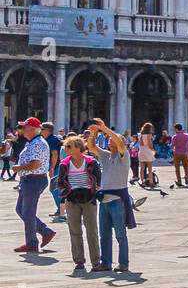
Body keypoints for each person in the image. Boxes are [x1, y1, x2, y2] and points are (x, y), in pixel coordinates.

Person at [86, 120, 132, 273]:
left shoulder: (123, 156)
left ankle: (123, 263)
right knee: (104, 234)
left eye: (111, 138)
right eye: (108, 138)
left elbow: (119, 142)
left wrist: (104, 128)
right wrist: (93, 133)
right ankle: (105, 262)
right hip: (104, 200)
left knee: (120, 234)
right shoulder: (106, 156)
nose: (108, 139)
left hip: (117, 200)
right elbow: (91, 147)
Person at [55, 135, 101, 274]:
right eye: (65, 146)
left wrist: (94, 191)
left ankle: (96, 261)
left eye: (69, 146)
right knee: (74, 231)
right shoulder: (64, 163)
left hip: (88, 199)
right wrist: (67, 193)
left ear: (78, 148)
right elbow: (60, 183)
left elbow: (99, 179)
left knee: (92, 231)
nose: (66, 149)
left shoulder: (91, 162)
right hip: (72, 200)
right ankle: (79, 260)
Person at [12, 117, 55, 254]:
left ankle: (32, 243)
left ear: (31, 129)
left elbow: (34, 164)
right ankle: (45, 231)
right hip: (31, 180)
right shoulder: (33, 142)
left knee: (28, 213)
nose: (22, 130)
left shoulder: (37, 143)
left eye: (24, 127)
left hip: (33, 180)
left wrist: (18, 168)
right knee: (21, 210)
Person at [170, 123, 188, 188]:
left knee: (177, 168)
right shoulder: (187, 136)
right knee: (186, 167)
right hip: (185, 153)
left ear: (176, 129)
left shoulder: (174, 136)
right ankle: (187, 179)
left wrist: (174, 149)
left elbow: (172, 146)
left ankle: (179, 181)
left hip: (177, 153)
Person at [137, 124, 157, 189]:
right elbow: (149, 144)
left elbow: (140, 144)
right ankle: (151, 182)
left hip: (142, 151)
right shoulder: (149, 135)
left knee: (142, 169)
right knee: (150, 169)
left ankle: (143, 182)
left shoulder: (139, 135)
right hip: (148, 151)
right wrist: (153, 150)